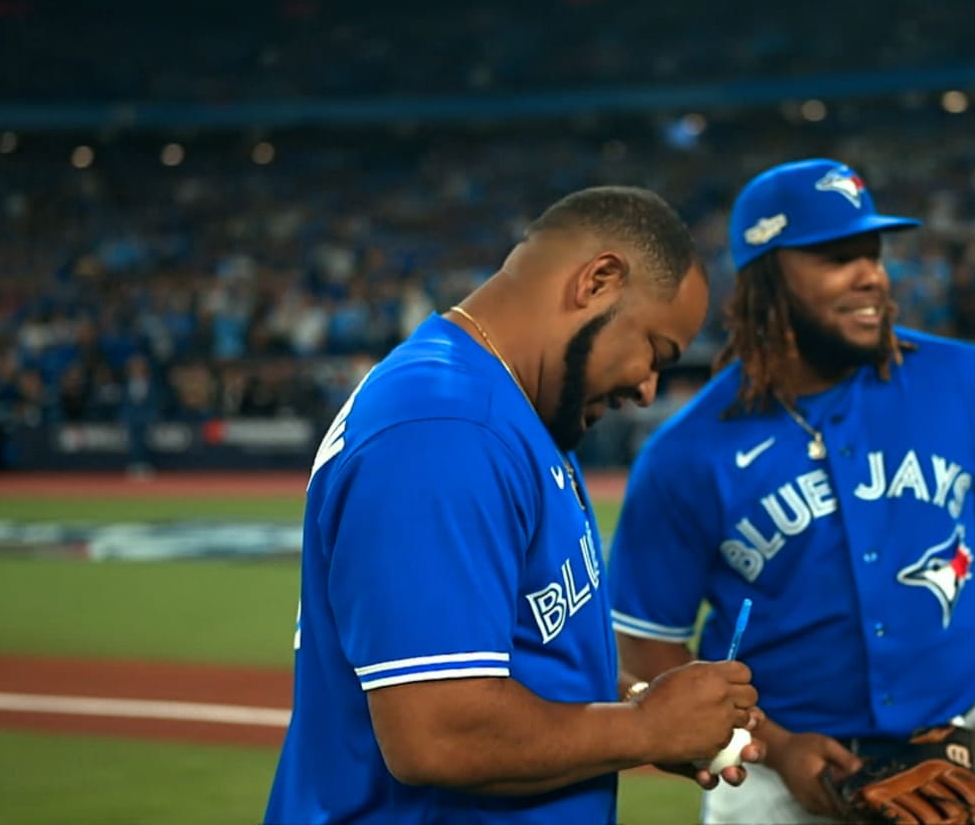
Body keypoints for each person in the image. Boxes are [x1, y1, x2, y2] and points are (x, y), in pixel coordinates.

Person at [265, 186, 764, 825]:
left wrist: (650, 710)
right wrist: (643, 728)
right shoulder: (444, 428)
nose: (647, 388)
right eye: (655, 352)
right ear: (598, 281)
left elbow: (528, 650)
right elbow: (440, 734)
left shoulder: (515, 408)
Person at [606, 159, 975, 824]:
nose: (872, 276)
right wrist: (772, 747)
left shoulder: (963, 380)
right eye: (836, 257)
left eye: (874, 253)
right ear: (767, 279)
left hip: (951, 766)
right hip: (772, 792)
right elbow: (646, 645)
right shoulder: (686, 453)